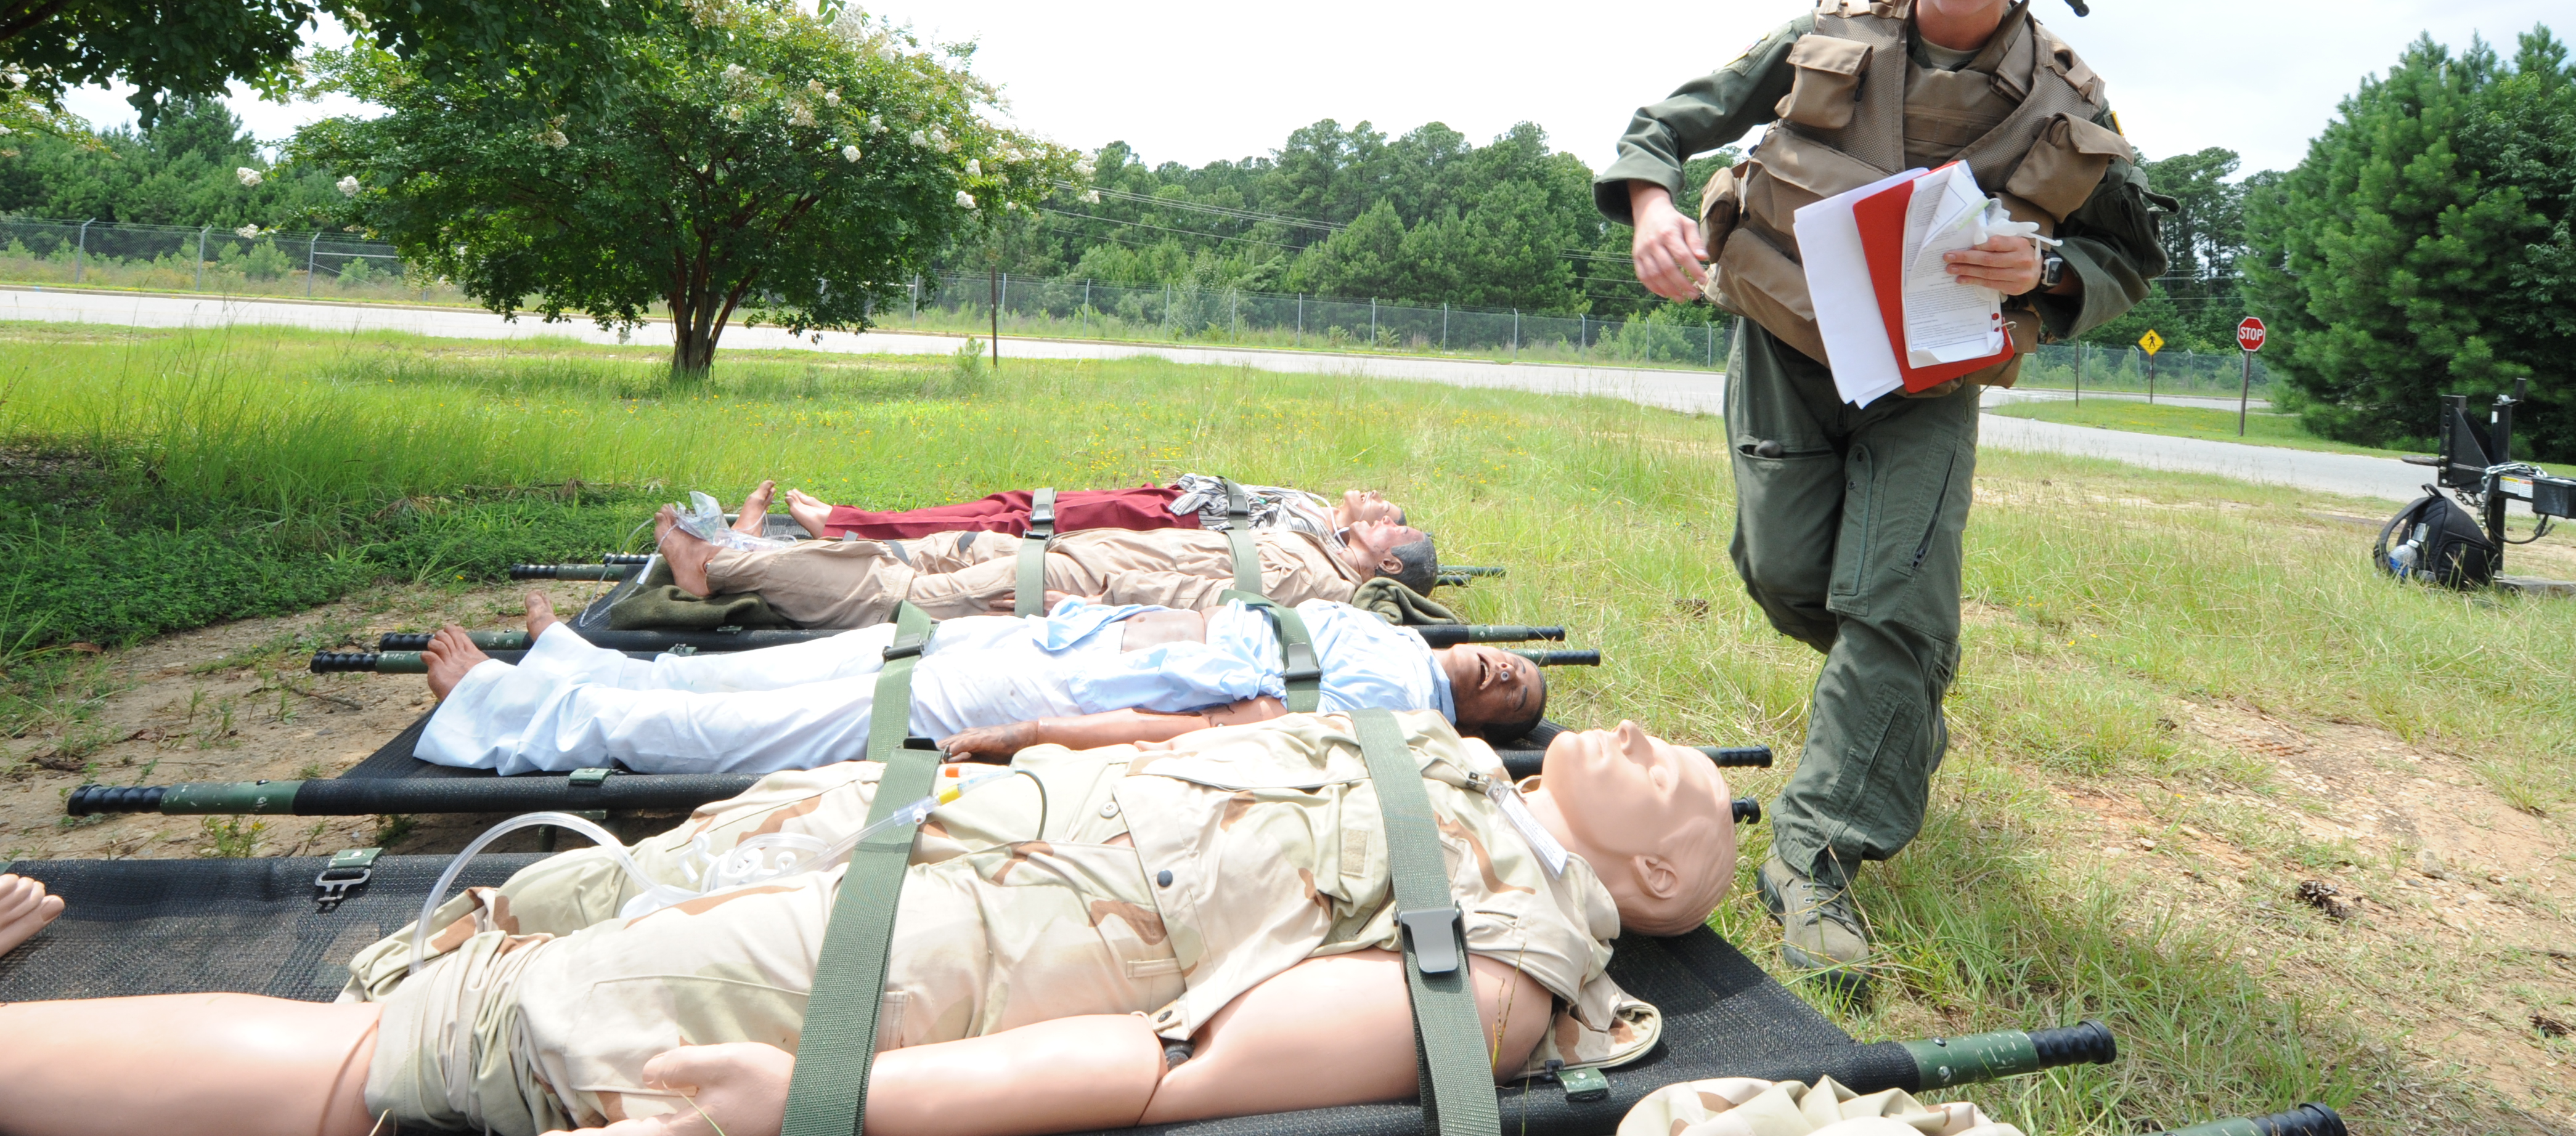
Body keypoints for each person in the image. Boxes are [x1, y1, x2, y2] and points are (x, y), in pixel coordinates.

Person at [0, 715, 1740, 1136]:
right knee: (519, 916)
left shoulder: (1509, 963)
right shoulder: (1429, 751)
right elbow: (1155, 738)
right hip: (928, 824)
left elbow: (1174, 1065)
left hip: (941, 963)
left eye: (1694, 798)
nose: (1664, 745)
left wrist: (829, 1100)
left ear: (1659, 890)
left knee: (399, 1063)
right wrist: (944, 756)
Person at [1596, 0, 2169, 989]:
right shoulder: (1825, 34)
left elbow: (2127, 263)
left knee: (1892, 603)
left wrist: (2047, 269)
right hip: (1785, 345)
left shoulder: (2069, 101)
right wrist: (1653, 210)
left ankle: (1815, 851)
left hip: (1927, 380)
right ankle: (1896, 704)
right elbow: (1664, 126)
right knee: (1785, 574)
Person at [410, 591, 1546, 776]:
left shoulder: (1401, 713)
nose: (1510, 674)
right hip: (1062, 633)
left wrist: (1038, 733)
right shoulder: (1390, 632)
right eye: (1515, 662)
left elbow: (1214, 728)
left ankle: (504, 716)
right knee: (814, 662)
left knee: (775, 727)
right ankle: (583, 666)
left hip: (1064, 693)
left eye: (1518, 698)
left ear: (1489, 723)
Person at [653, 501, 1437, 624]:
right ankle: (755, 548)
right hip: (1073, 555)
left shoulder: (1325, 582)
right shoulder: (1317, 548)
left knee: (899, 595)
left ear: (1390, 569)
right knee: (934, 547)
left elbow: (1194, 595)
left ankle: (718, 570)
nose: (1377, 523)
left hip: (1077, 580)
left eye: (1389, 532)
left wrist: (1084, 592)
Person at [773, 474, 1409, 545]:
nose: (1376, 495)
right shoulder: (1316, 508)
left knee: (1019, 528)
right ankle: (856, 521)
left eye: (1385, 510)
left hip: (1177, 526)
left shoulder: (1315, 541)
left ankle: (847, 529)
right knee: (1020, 504)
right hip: (1173, 501)